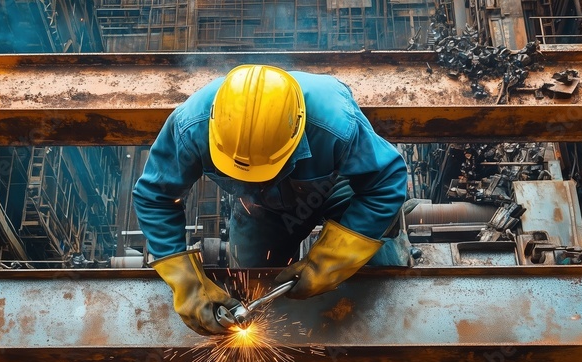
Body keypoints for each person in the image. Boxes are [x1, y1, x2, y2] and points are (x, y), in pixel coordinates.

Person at [133, 64, 408, 336]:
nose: (255, 178)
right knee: (250, 286)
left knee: (380, 272)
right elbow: (155, 196)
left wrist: (329, 262)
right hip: (259, 208)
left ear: (296, 131)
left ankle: (392, 332)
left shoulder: (336, 122)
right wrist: (188, 284)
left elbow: (385, 182)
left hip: (333, 186)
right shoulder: (190, 126)